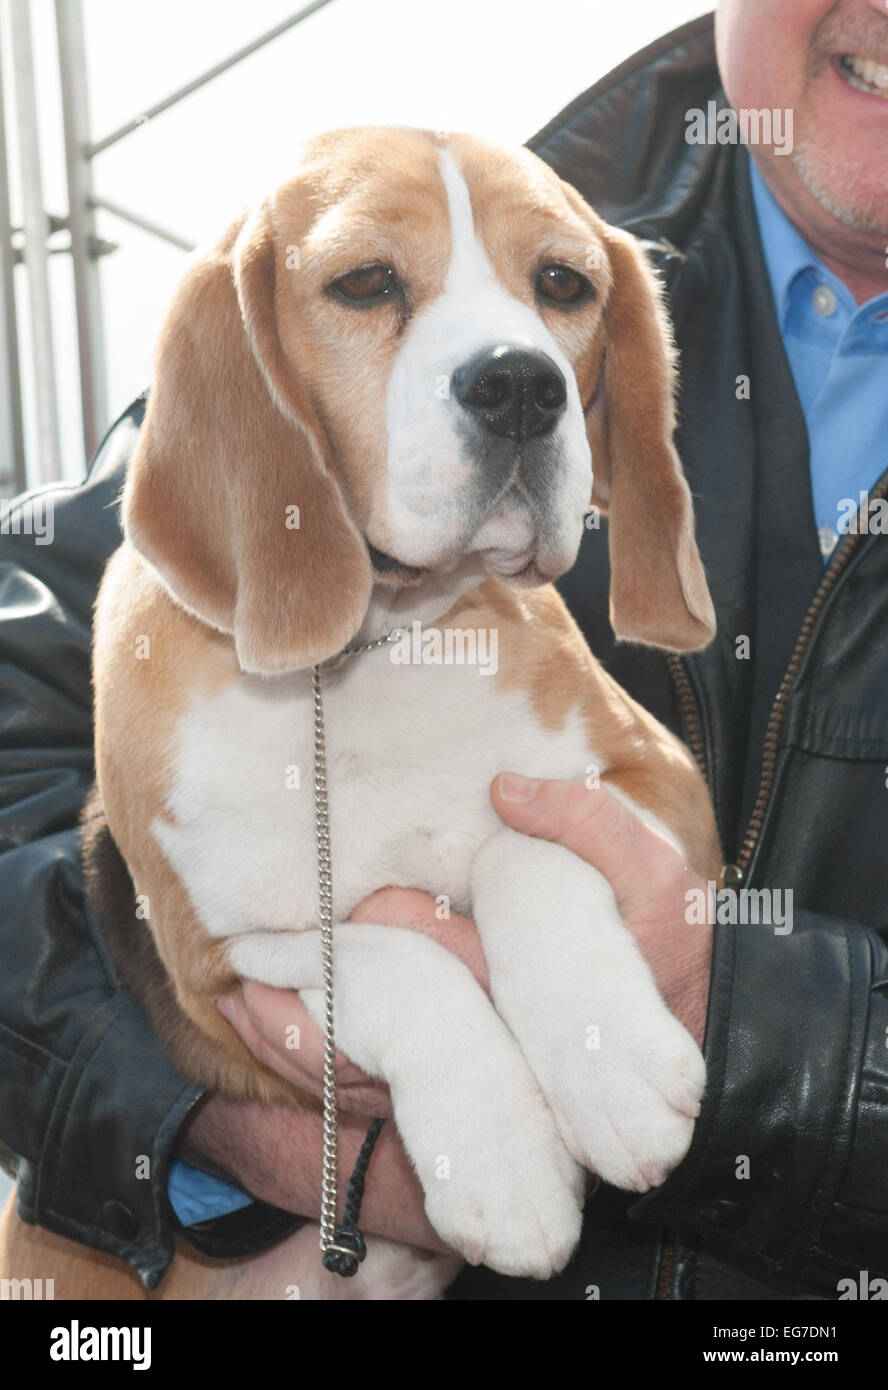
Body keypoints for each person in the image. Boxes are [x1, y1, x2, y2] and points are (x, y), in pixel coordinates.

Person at [1, 2, 886, 1301]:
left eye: (558, 295)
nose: (506, 353)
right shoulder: (443, 212)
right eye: (374, 289)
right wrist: (228, 1113)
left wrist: (744, 1018)